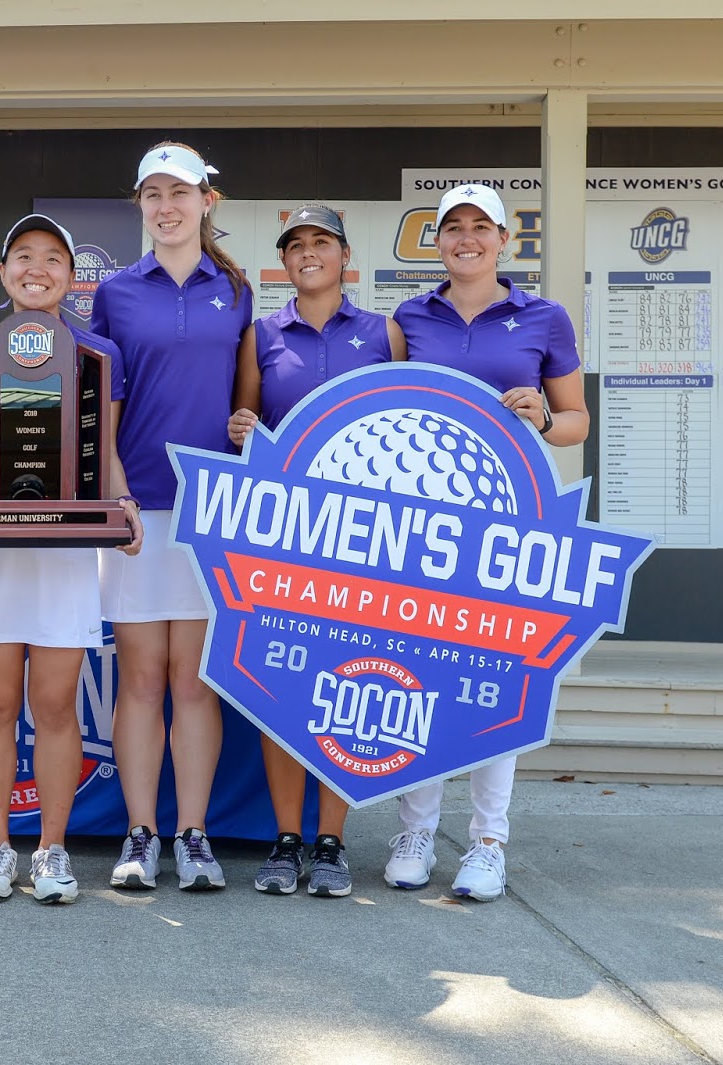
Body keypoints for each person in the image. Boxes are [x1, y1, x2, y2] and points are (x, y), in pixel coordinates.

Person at [386, 182, 589, 902]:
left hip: (506, 526)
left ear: (505, 239)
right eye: (452, 227)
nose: (466, 238)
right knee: (418, 678)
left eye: (481, 226)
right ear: (436, 242)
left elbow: (577, 423)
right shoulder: (410, 316)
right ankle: (414, 829)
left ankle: (487, 841)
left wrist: (541, 418)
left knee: (493, 680)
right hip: (422, 528)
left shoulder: (544, 316)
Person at [0, 215, 144, 905]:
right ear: (3, 273)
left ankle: (53, 850)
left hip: (65, 555)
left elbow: (109, 449)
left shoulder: (98, 355)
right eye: (23, 256)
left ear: (72, 276)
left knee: (57, 705)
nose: (38, 268)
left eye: (54, 258)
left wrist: (122, 506)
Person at [227, 204, 407, 898]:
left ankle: (331, 839)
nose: (308, 253)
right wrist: (240, 425)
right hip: (285, 540)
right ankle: (286, 836)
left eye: (320, 242)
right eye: (296, 244)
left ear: (344, 257)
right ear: (284, 260)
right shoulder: (261, 334)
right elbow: (244, 425)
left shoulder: (383, 332)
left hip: (362, 544)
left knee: (348, 690)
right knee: (283, 691)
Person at [91, 143, 254, 891]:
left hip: (212, 509)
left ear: (206, 201)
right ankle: (140, 833)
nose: (166, 205)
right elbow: (102, 408)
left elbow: (246, 399)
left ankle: (193, 835)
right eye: (152, 193)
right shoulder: (117, 293)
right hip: (138, 512)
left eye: (179, 192)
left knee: (195, 683)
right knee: (141, 679)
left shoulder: (237, 289)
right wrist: (116, 498)